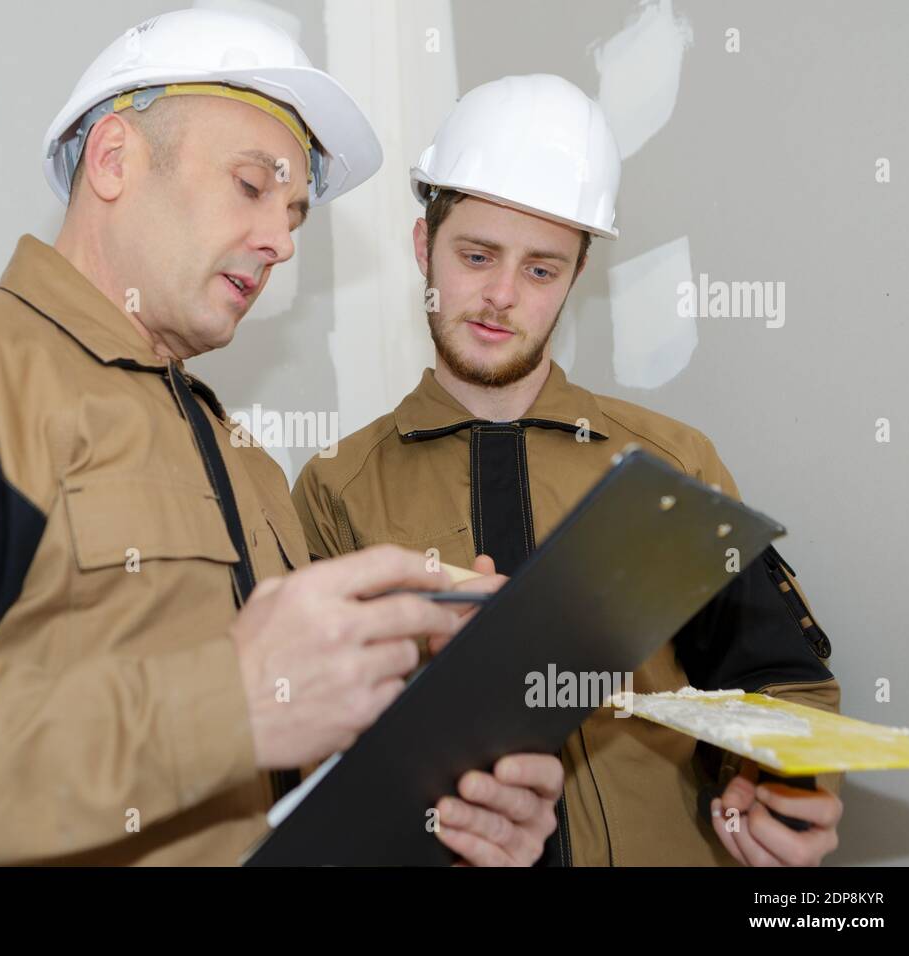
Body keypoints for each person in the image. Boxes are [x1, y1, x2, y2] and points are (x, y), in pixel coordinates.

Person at [0, 10, 558, 866]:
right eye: (253, 187)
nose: (282, 240)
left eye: (295, 212)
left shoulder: (246, 460)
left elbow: (262, 791)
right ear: (113, 160)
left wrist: (437, 805)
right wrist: (227, 701)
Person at [292, 74, 843, 866]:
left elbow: (777, 677)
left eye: (542, 270)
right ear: (424, 248)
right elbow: (313, 745)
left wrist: (784, 784)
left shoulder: (668, 465)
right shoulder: (334, 487)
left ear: (577, 277)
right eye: (476, 256)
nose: (501, 297)